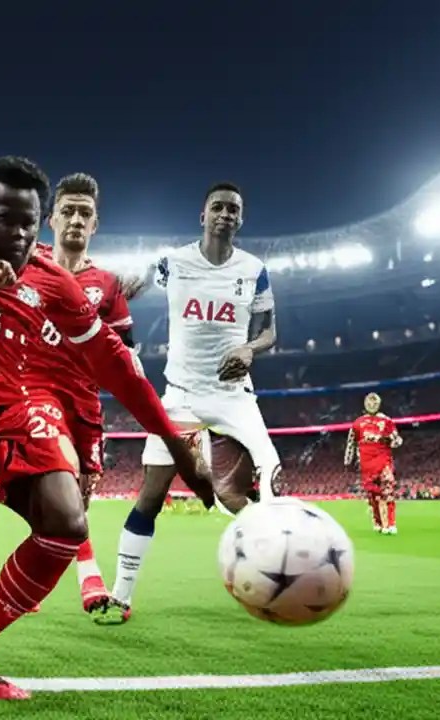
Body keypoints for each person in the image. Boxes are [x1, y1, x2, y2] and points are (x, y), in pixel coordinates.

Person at [0, 157, 212, 708]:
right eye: (2, 219)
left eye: (26, 223)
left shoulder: (56, 283)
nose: (15, 234)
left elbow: (118, 367)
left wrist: (180, 451)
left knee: (67, 525)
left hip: (12, 401)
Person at [100, 181, 279, 626]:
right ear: (202, 216)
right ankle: (120, 598)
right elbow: (134, 284)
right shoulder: (173, 262)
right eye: (217, 207)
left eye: (233, 209)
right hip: (179, 396)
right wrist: (120, 288)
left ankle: (278, 576)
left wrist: (249, 349)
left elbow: (270, 332)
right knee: (151, 495)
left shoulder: (254, 268)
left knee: (260, 493)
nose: (225, 214)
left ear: (241, 219)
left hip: (233, 396)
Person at [22, 172, 135, 618]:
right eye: (66, 211)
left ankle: (29, 578)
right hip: (28, 394)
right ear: (50, 219)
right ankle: (90, 578)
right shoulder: (26, 264)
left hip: (83, 405)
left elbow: (124, 355)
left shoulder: (107, 285)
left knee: (71, 505)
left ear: (95, 224)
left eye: (84, 213)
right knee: (61, 477)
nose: (74, 220)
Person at [345, 392, 403, 533]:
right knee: (373, 494)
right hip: (366, 463)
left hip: (383, 461)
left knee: (388, 488)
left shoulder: (386, 421)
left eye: (375, 402)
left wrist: (389, 439)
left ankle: (391, 523)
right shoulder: (358, 423)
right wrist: (348, 460)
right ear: (365, 404)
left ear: (379, 403)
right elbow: (350, 443)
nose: (372, 405)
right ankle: (378, 521)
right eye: (369, 402)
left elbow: (398, 441)